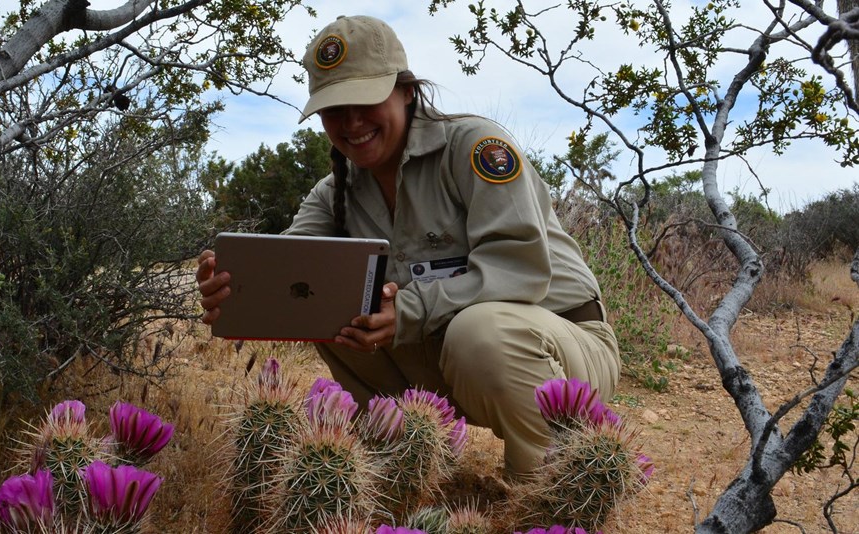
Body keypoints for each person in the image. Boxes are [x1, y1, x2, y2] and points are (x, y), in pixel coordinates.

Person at [196, 15, 621, 477]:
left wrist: (412, 310)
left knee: (479, 333)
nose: (352, 122)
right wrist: (239, 288)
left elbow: (519, 270)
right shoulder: (334, 192)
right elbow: (290, 267)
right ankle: (398, 473)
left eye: (366, 99)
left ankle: (548, 494)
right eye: (335, 108)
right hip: (453, 355)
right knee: (335, 312)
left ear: (406, 91)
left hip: (561, 349)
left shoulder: (475, 148)